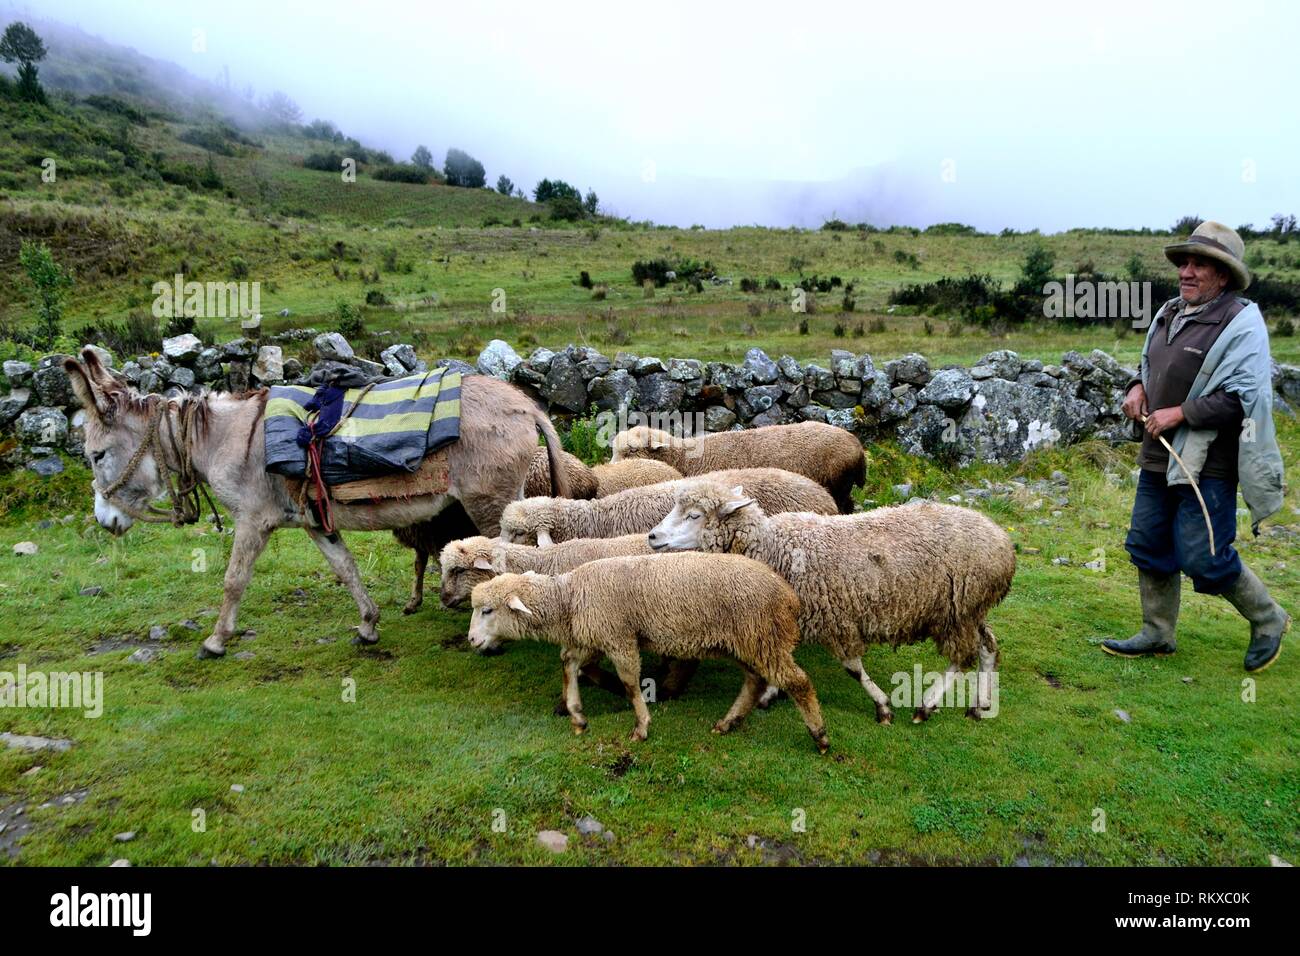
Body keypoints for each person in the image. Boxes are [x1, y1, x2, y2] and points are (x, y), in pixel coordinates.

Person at [1102, 221, 1289, 672]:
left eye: (1199, 264)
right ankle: (1157, 632)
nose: (1186, 271)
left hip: (1208, 463)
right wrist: (1136, 387)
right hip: (1158, 454)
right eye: (1184, 262)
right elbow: (1152, 365)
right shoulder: (1170, 312)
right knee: (1148, 542)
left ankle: (1269, 619)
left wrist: (1181, 413)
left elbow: (1244, 397)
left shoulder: (1240, 323)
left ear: (1222, 275)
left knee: (1204, 556)